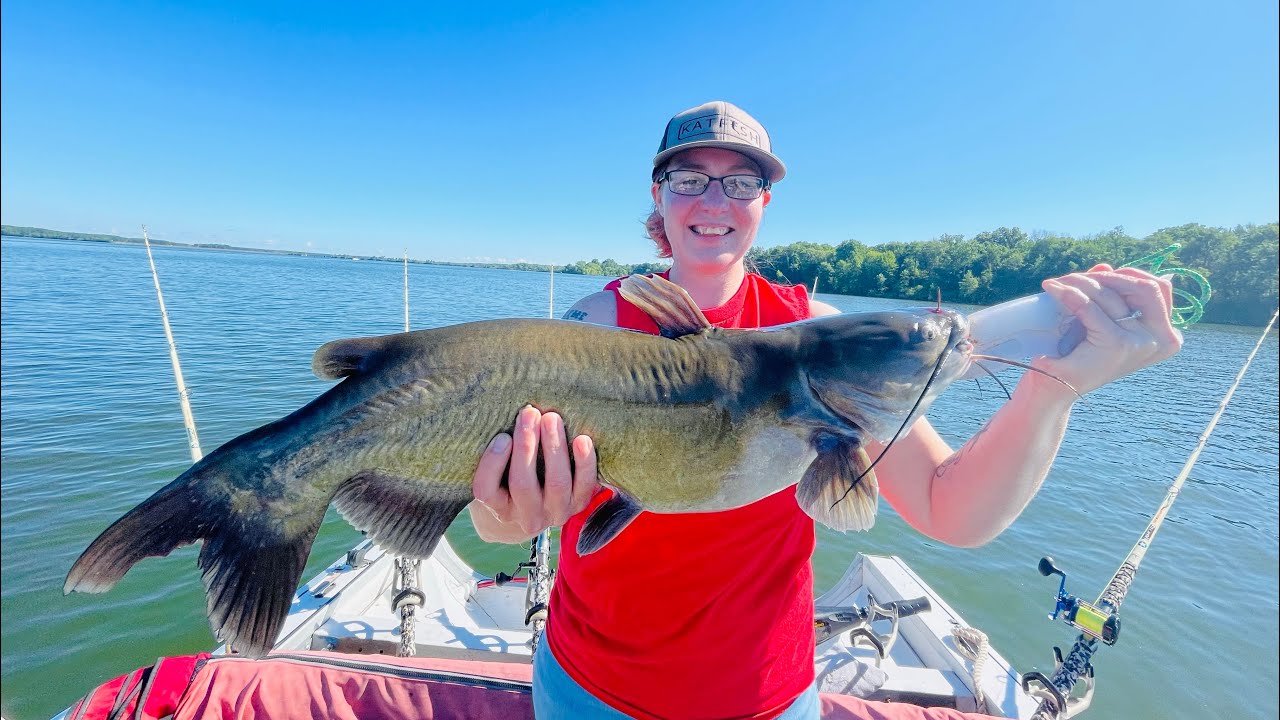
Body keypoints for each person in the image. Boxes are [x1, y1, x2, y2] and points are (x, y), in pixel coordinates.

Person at [468, 100, 1183, 720]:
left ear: (764, 202)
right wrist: (512, 509)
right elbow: (499, 524)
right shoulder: (588, 327)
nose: (714, 201)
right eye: (689, 180)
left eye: (740, 181)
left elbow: (950, 509)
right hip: (589, 688)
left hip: (767, 698)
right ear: (659, 197)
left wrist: (1053, 386)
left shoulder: (822, 330)